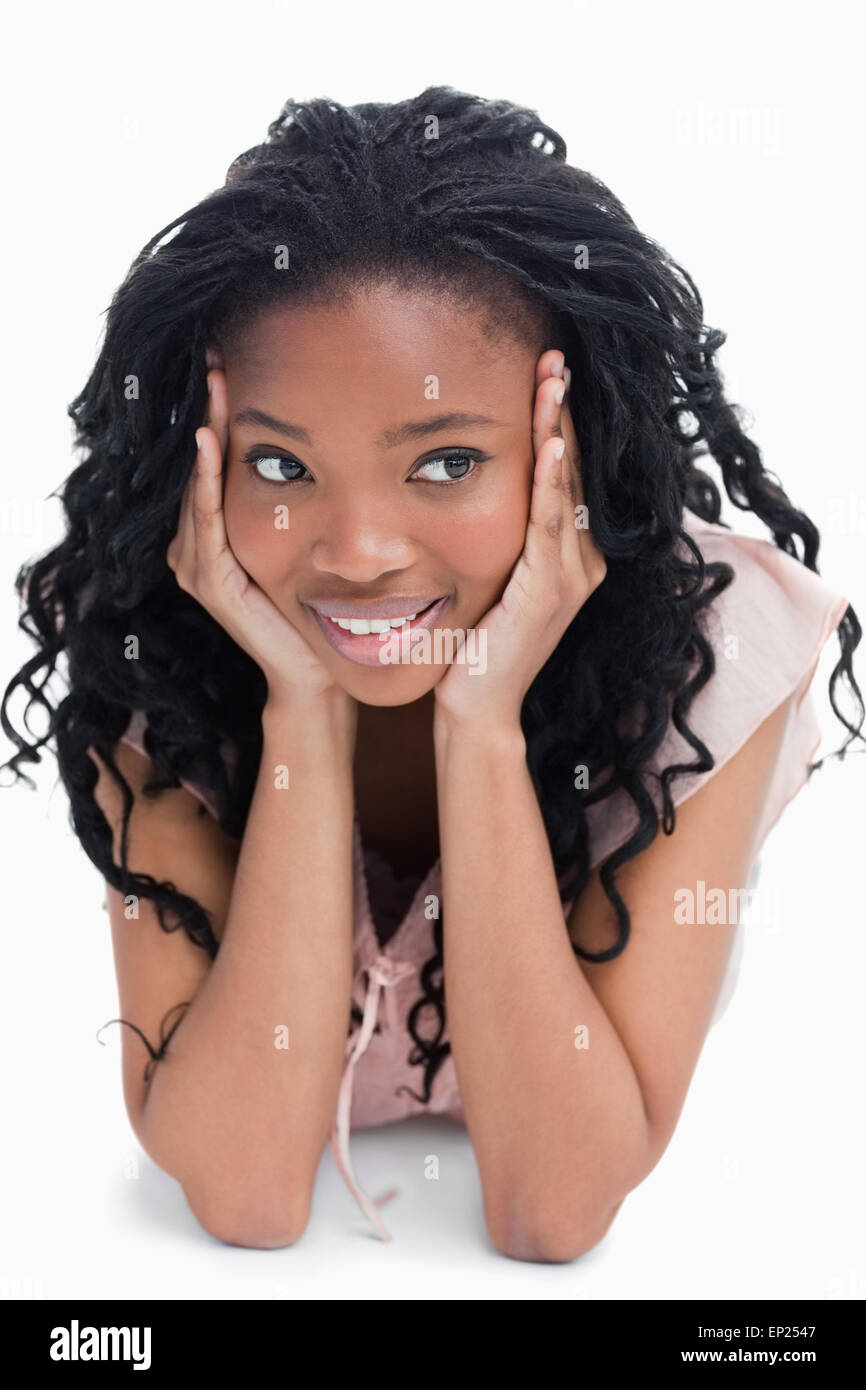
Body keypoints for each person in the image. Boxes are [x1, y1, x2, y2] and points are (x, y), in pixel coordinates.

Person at [2, 88, 862, 1261]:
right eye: (278, 463)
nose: (357, 554)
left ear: (566, 452)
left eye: (446, 460)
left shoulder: (709, 655)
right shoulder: (153, 644)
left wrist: (483, 728)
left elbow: (551, 1215)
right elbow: (247, 1192)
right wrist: (299, 713)